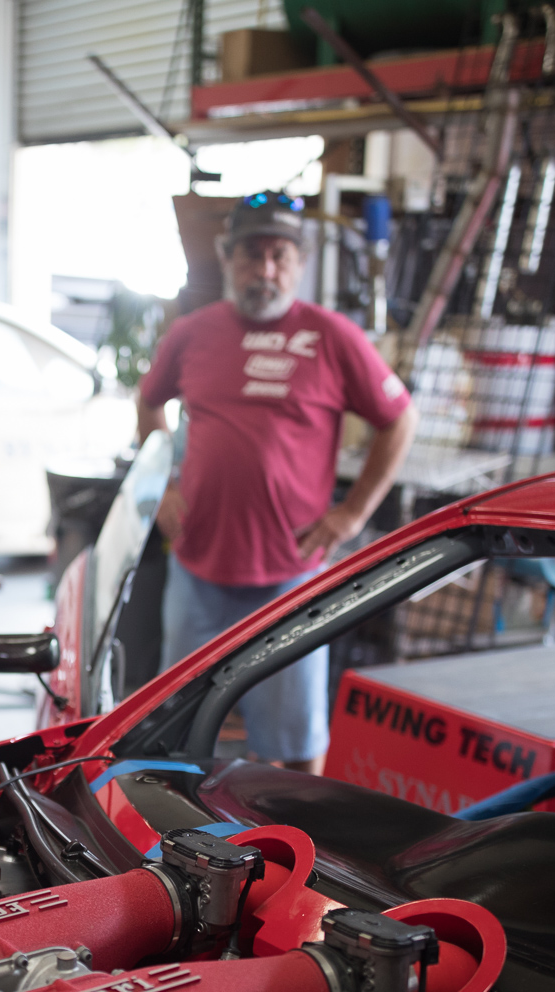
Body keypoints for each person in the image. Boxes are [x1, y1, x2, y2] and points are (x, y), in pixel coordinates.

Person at [137, 193, 416, 775]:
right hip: (198, 570)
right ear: (227, 258)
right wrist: (159, 488)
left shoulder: (332, 336)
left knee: (293, 745)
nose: (266, 270)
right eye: (252, 255)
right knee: (175, 733)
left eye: (280, 256)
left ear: (301, 262)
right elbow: (149, 402)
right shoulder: (192, 332)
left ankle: (299, 853)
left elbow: (399, 419)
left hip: (290, 576)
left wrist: (352, 515)